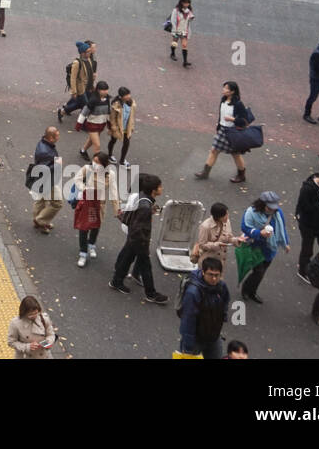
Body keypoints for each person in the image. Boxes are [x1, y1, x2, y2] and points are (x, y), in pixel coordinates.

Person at [109, 173, 169, 304]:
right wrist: (142, 245)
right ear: (154, 190)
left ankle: (116, 281)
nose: (162, 189)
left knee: (126, 259)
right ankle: (151, 293)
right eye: (160, 187)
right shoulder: (145, 207)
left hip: (134, 238)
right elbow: (139, 227)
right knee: (145, 266)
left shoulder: (143, 199)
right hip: (139, 241)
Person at [194, 81, 252, 184]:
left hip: (232, 133)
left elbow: (244, 121)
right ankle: (205, 172)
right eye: (224, 87)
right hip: (222, 130)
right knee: (214, 150)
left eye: (226, 88)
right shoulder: (223, 100)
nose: (223, 90)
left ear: (232, 91)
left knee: (235, 154)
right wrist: (218, 127)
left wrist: (232, 119)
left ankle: (241, 174)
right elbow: (221, 115)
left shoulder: (238, 104)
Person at [238, 191, 290, 304]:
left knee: (261, 273)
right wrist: (259, 233)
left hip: (270, 248)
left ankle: (252, 291)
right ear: (262, 205)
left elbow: (282, 228)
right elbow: (245, 228)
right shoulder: (250, 213)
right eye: (269, 208)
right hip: (255, 247)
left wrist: (285, 243)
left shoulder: (278, 212)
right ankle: (246, 290)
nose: (272, 210)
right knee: (258, 272)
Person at [178, 257, 231, 359]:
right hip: (196, 340)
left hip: (213, 337)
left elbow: (225, 301)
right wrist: (188, 347)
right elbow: (188, 320)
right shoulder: (193, 292)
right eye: (210, 274)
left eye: (217, 275)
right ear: (203, 272)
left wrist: (223, 317)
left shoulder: (221, 286)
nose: (214, 278)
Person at [73, 151, 119, 267]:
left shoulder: (110, 174)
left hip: (99, 204)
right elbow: (77, 179)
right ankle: (83, 253)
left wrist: (117, 210)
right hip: (87, 202)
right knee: (83, 228)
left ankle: (91, 244)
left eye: (98, 162)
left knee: (95, 225)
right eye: (94, 161)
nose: (95, 164)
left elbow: (114, 192)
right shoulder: (87, 169)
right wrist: (84, 189)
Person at [29, 126, 64, 233]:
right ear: (51, 138)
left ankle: (37, 220)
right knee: (57, 203)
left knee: (40, 200)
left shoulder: (43, 143)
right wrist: (57, 164)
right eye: (57, 135)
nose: (59, 137)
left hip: (41, 180)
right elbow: (45, 169)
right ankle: (41, 220)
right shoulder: (46, 152)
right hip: (48, 180)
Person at [58, 41, 97, 121]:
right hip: (81, 89)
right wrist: (74, 92)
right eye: (88, 52)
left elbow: (89, 74)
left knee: (79, 104)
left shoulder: (89, 60)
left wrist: (92, 85)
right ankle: (83, 124)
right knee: (86, 106)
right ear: (82, 53)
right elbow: (73, 78)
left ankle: (63, 111)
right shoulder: (77, 63)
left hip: (88, 87)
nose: (90, 53)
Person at [168, 0, 194, 67]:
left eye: (188, 3)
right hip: (177, 30)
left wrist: (190, 17)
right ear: (181, 3)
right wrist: (174, 30)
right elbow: (173, 20)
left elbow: (190, 19)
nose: (187, 4)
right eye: (185, 3)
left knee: (184, 45)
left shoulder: (188, 11)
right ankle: (172, 53)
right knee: (174, 43)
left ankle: (185, 61)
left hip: (184, 31)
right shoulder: (176, 10)